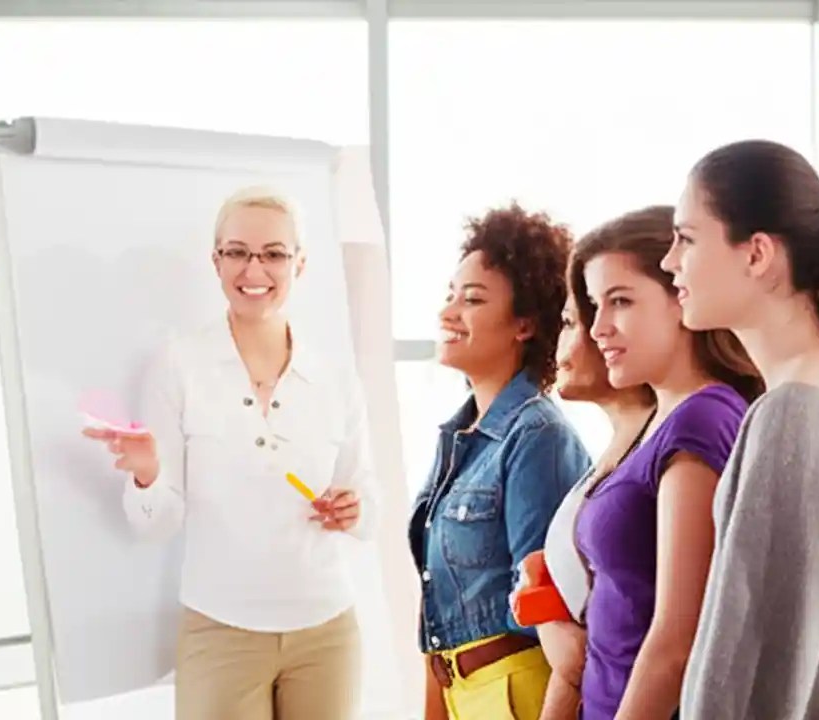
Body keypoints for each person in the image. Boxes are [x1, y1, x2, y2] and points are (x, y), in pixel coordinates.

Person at [82, 187, 377, 720]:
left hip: (327, 630)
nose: (253, 268)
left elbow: (367, 506)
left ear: (300, 264)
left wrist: (354, 508)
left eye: (273, 253)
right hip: (220, 631)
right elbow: (157, 524)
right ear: (216, 261)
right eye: (237, 251)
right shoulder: (180, 364)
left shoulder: (334, 375)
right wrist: (148, 475)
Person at [664, 140, 819, 719]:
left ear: (756, 255)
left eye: (687, 238)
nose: (668, 261)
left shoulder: (800, 411)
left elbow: (755, 667)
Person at [573, 205, 764, 720]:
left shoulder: (702, 420)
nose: (598, 329)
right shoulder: (661, 418)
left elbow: (678, 642)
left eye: (621, 301)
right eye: (595, 305)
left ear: (679, 296)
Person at [410, 203, 593, 720]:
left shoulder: (538, 436)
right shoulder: (459, 437)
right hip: (460, 689)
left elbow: (553, 610)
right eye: (450, 295)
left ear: (524, 324)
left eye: (472, 299)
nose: (449, 312)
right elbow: (436, 599)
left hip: (513, 692)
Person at [523, 213, 661, 720]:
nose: (598, 330)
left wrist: (547, 616)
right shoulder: (613, 449)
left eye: (565, 324)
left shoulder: (662, 444)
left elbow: (593, 647)